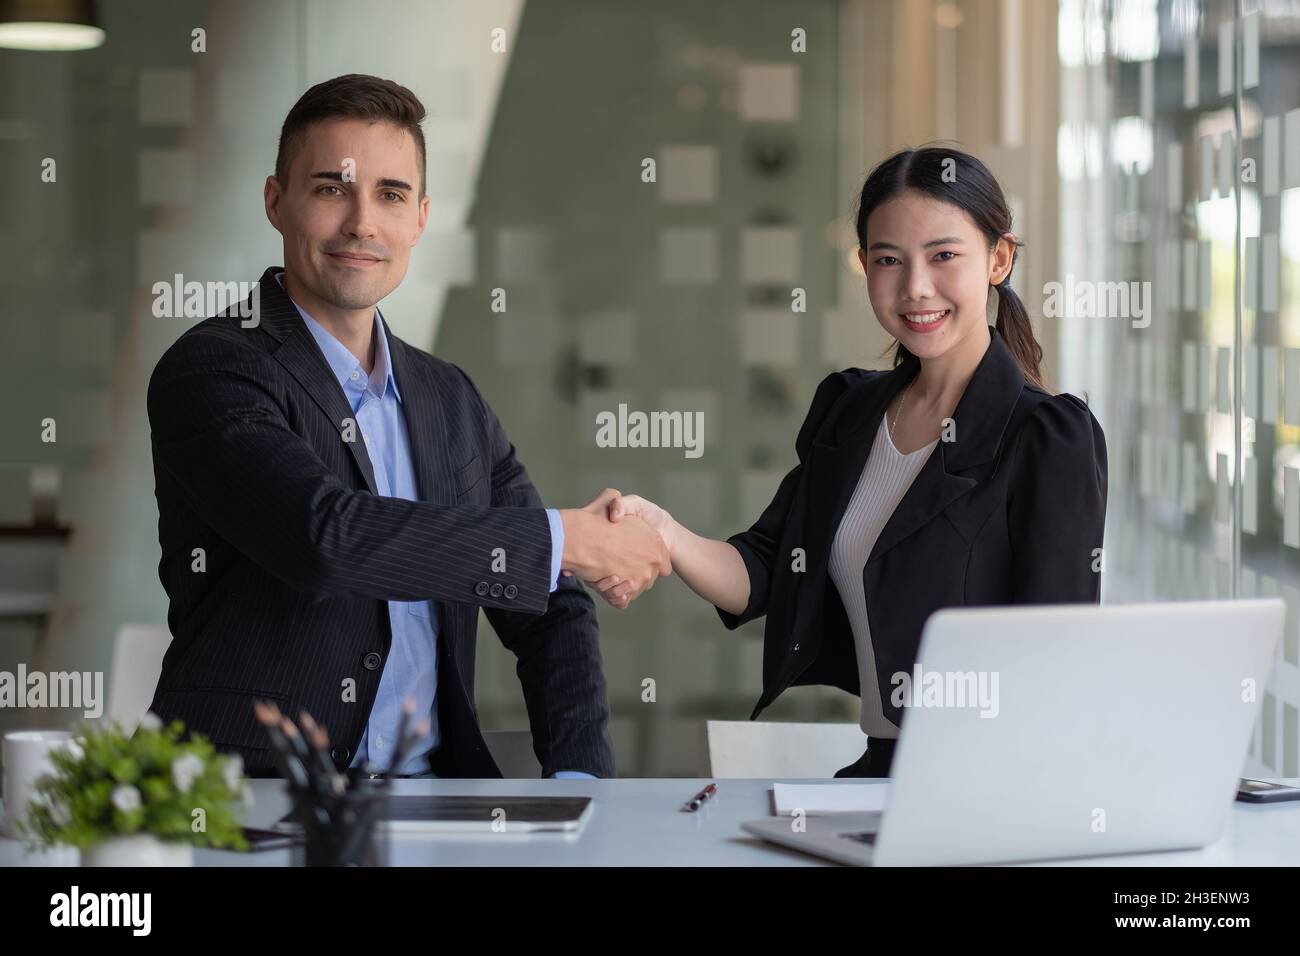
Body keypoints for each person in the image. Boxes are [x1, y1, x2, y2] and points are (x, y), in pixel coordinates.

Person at [145, 74, 669, 779]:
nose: (362, 222)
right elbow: (325, 538)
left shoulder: (450, 398)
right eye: (332, 188)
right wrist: (567, 537)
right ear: (277, 202)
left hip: (437, 801)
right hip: (249, 804)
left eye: (390, 195)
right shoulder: (211, 370)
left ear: (420, 218)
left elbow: (552, 603)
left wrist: (578, 782)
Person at [597, 147, 1108, 778]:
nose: (915, 286)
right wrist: (662, 532)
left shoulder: (1047, 436)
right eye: (889, 260)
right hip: (881, 770)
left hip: (994, 781)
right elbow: (764, 568)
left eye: (944, 256)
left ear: (998, 259)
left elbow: (1058, 660)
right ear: (864, 264)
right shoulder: (852, 410)